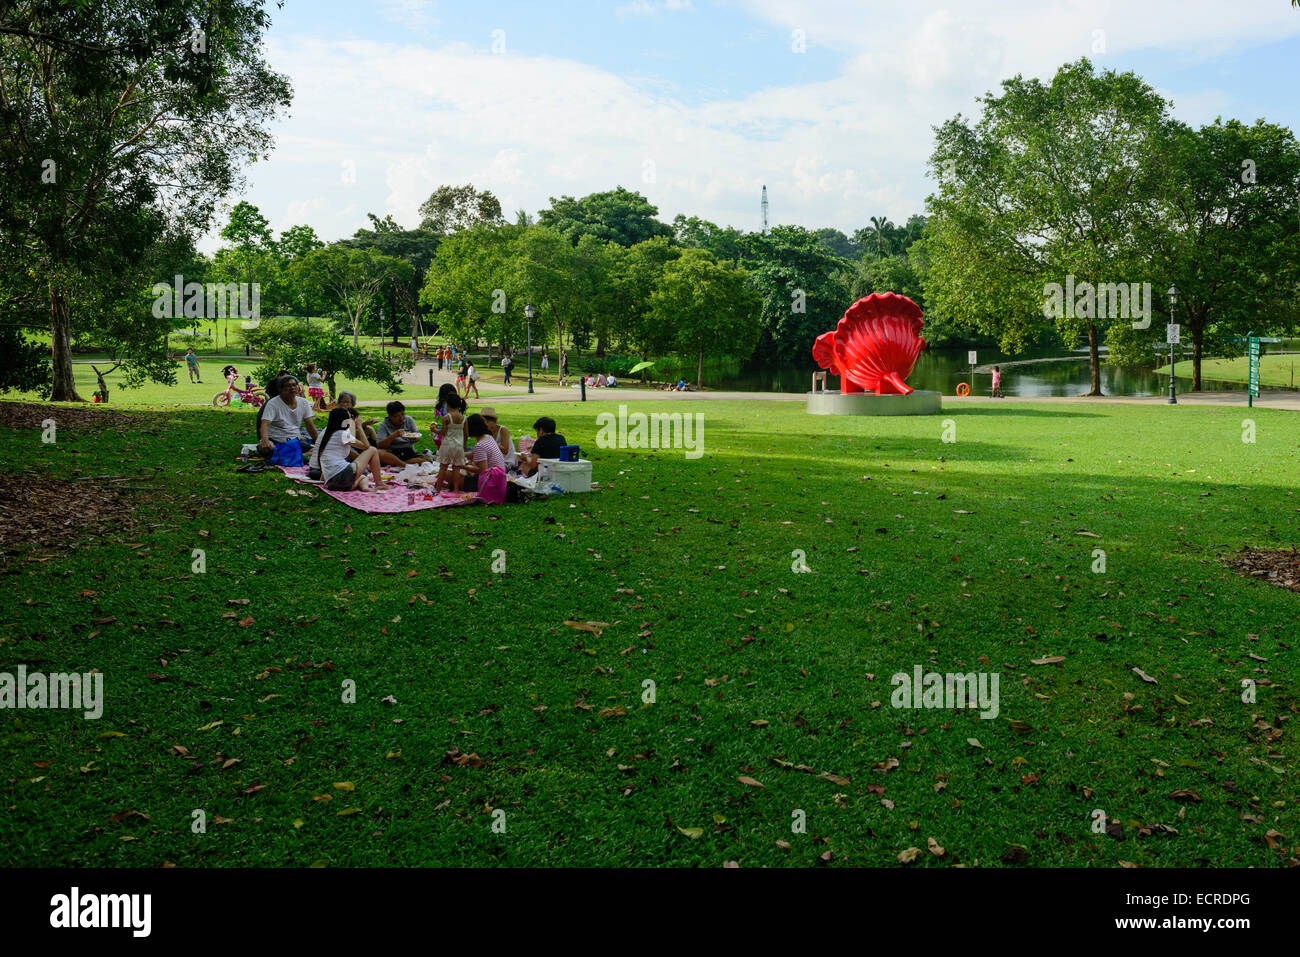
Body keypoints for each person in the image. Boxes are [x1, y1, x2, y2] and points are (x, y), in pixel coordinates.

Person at [315, 408, 391, 492]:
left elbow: (352, 436)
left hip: (333, 484)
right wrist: (359, 425)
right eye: (349, 417)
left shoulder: (330, 433)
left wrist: (354, 425)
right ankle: (379, 483)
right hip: (343, 477)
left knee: (363, 477)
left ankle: (366, 488)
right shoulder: (341, 434)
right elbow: (366, 446)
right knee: (372, 450)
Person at [258, 375, 318, 464]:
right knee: (266, 449)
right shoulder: (272, 404)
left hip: (295, 441)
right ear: (280, 389)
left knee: (317, 451)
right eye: (288, 386)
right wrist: (265, 440)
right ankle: (300, 456)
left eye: (294, 385)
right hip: (276, 441)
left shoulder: (303, 402)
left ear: (298, 387)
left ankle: (296, 456)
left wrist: (319, 443)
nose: (292, 388)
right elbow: (265, 424)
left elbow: (310, 426)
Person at [336, 392, 404, 466]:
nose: (345, 404)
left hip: (351, 438)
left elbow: (355, 426)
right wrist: (359, 427)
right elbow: (345, 432)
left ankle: (376, 449)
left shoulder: (352, 413)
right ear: (339, 403)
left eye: (347, 402)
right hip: (346, 441)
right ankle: (372, 453)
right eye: (343, 402)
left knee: (369, 429)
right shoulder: (338, 414)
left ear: (352, 404)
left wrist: (364, 424)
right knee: (362, 433)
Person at [458, 413, 507, 499]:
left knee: (451, 476)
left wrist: (462, 466)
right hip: (499, 480)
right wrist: (461, 455)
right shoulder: (488, 437)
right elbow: (474, 454)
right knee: (466, 470)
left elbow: (482, 470)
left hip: (490, 483)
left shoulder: (481, 444)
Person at [435, 394, 468, 492]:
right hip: (459, 446)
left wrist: (434, 430)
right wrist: (464, 445)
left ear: (447, 405)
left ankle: (438, 489)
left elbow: (443, 432)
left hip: (447, 445)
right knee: (456, 469)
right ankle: (456, 490)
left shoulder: (446, 418)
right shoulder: (464, 418)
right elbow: (466, 434)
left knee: (443, 468)